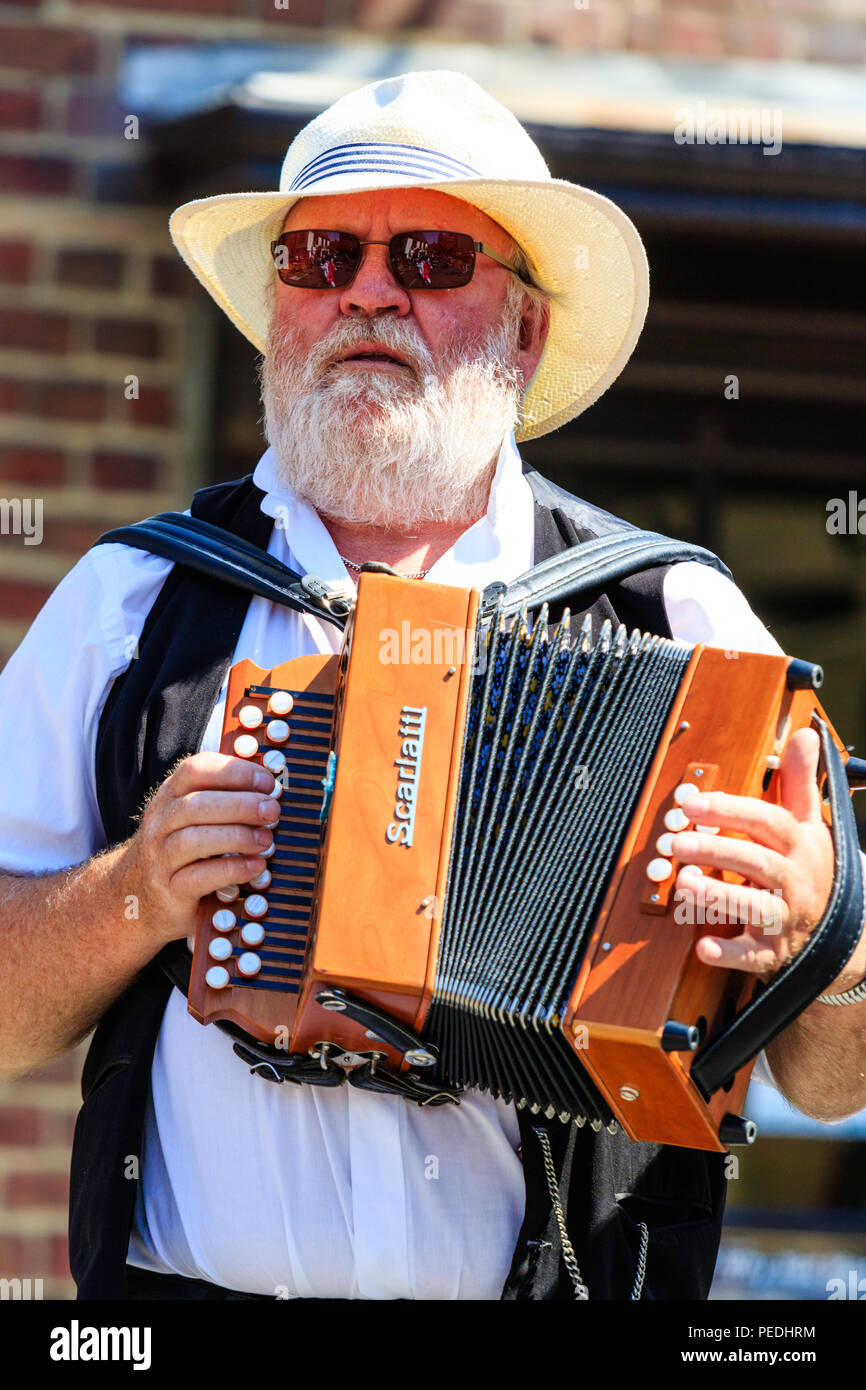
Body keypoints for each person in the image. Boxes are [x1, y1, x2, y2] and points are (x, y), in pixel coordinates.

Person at [1, 70, 864, 1303]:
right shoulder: (133, 604)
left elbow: (828, 1080)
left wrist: (817, 944)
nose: (365, 290)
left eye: (426, 256)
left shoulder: (673, 621)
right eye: (317, 257)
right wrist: (132, 893)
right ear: (275, 314)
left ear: (522, 332)